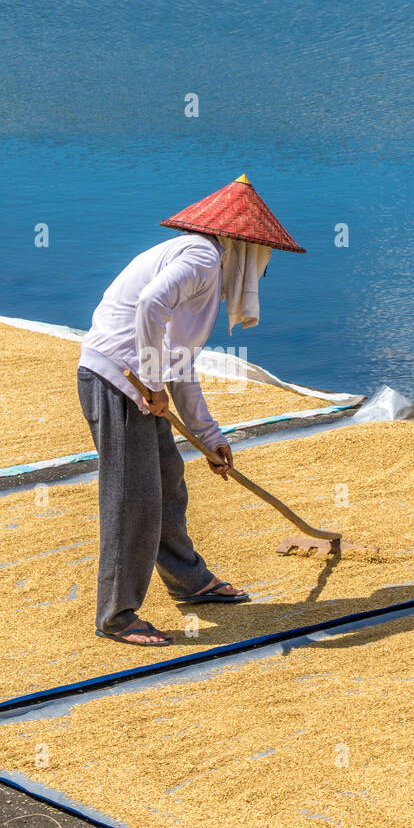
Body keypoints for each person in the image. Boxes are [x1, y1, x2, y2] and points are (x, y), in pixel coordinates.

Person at [78, 174, 304, 646]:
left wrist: (210, 438)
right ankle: (117, 616)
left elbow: (179, 363)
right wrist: (152, 384)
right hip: (119, 381)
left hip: (137, 381)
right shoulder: (202, 257)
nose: (261, 271)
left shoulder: (204, 264)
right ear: (243, 245)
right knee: (132, 497)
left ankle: (189, 581)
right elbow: (149, 303)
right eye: (262, 259)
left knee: (167, 481)